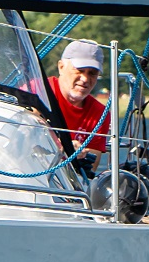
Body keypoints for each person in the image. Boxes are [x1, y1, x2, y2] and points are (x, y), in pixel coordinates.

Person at [46, 39, 110, 173]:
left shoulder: (99, 113)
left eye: (92, 73)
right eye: (79, 70)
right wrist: (65, 147)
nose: (85, 79)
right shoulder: (41, 91)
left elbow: (91, 167)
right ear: (61, 67)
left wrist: (81, 155)